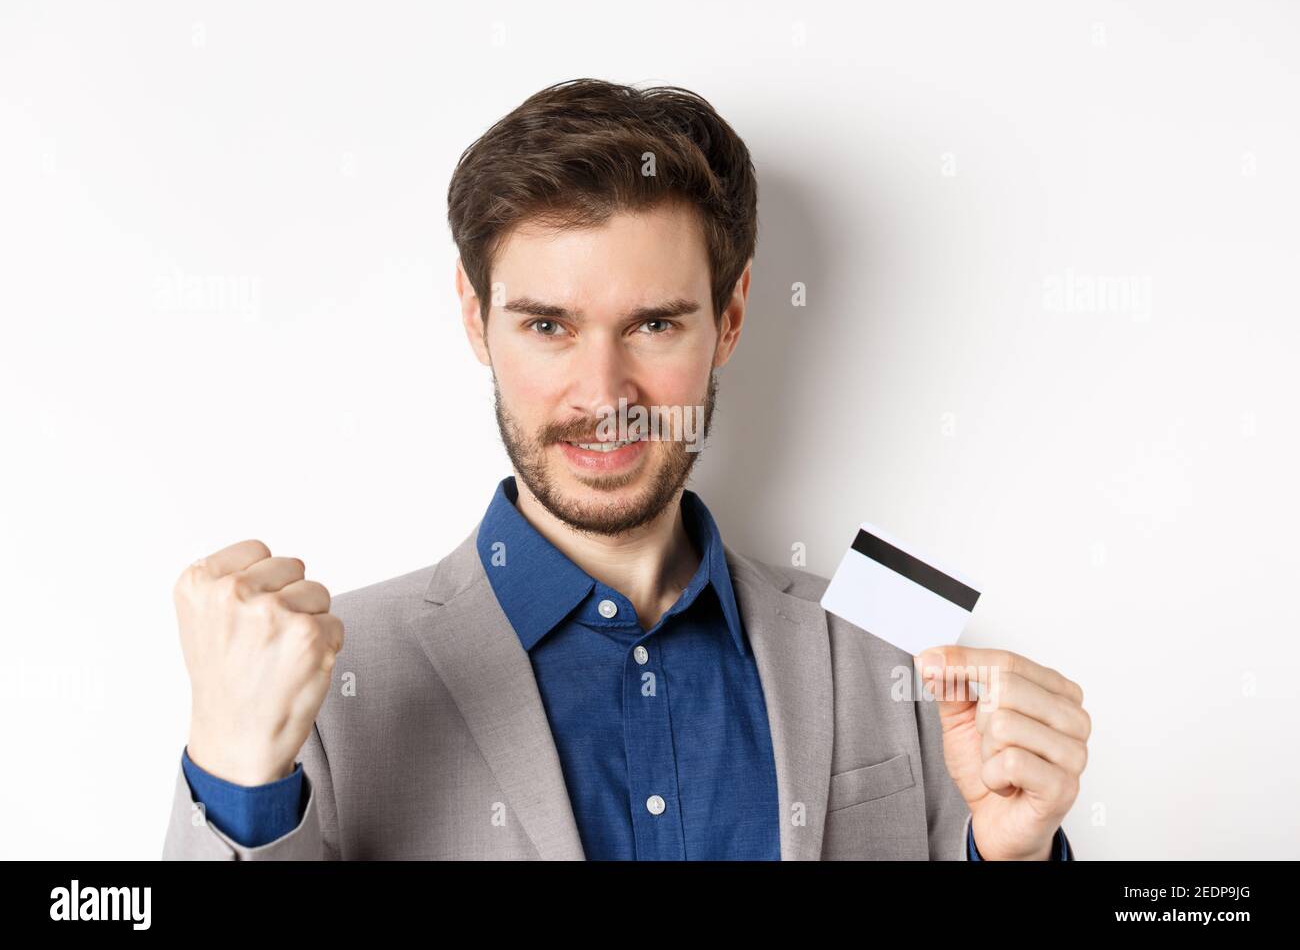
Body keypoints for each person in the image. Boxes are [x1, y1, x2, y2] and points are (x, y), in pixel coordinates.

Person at [163, 78, 1088, 860]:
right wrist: (236, 772)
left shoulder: (894, 648)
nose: (603, 394)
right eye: (547, 325)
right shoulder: (321, 678)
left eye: (654, 324)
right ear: (474, 317)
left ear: (729, 318)